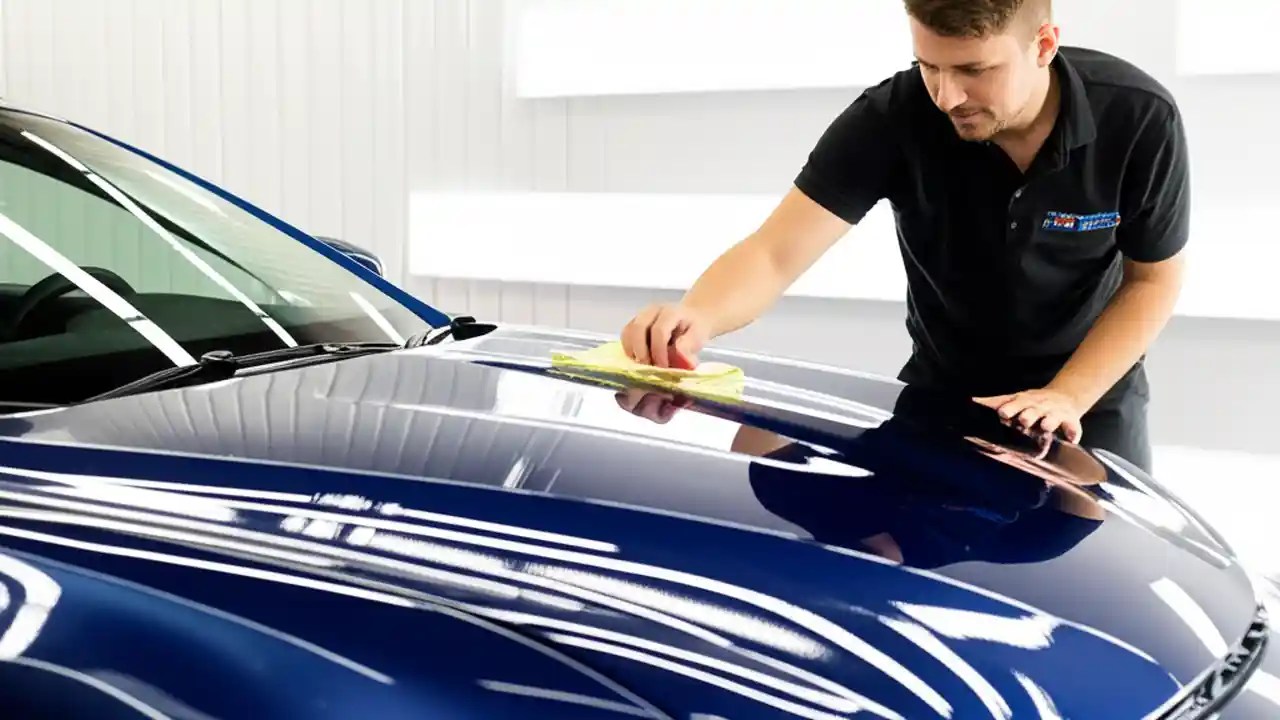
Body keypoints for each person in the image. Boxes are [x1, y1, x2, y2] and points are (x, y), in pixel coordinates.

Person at [618, 0, 1189, 474]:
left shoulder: (1139, 118)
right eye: (929, 66)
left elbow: (1153, 281)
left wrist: (1067, 396)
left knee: (1093, 566)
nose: (947, 96)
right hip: (946, 394)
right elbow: (773, 254)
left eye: (973, 70)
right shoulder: (892, 117)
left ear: (1043, 45)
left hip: (1088, 394)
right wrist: (696, 317)